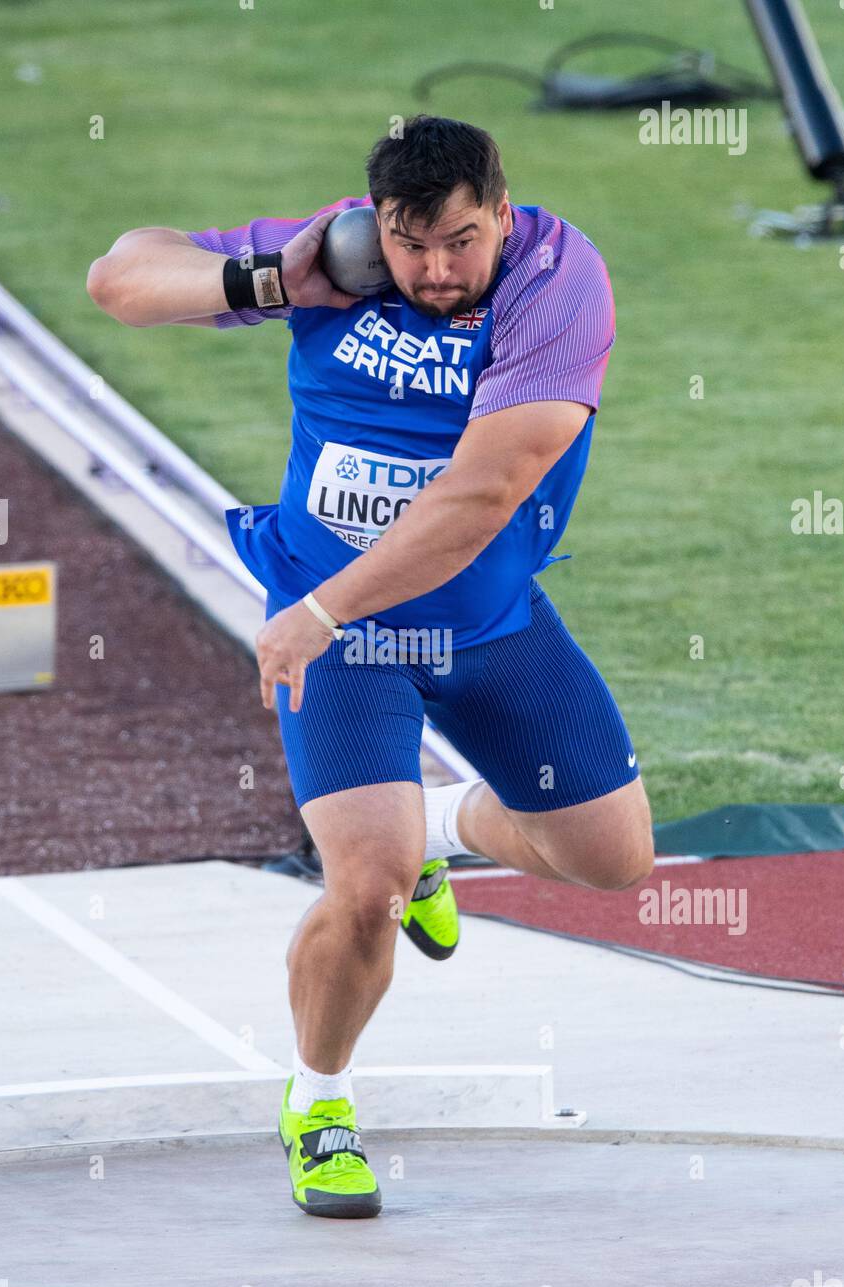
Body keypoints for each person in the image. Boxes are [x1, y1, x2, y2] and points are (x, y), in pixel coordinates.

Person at [87, 114, 654, 1219]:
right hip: (346, 647)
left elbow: (479, 496)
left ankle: (438, 829)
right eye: (410, 244)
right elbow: (119, 278)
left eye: (460, 241)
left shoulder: (554, 283)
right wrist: (261, 279)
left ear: (501, 211)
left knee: (613, 858)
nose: (436, 272)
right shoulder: (334, 254)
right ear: (375, 225)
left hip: (473, 622)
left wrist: (318, 608)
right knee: (365, 890)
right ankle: (320, 1104)